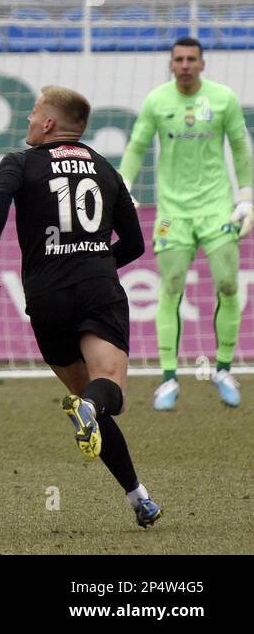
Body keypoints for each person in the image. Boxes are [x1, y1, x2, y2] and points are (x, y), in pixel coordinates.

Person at [0, 86, 162, 529]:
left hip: (45, 296)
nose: (28, 121)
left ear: (49, 124)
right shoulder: (105, 168)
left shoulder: (18, 162)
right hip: (97, 289)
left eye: (33, 113)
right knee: (106, 394)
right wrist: (93, 265)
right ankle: (97, 424)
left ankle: (139, 497)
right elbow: (135, 243)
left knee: (89, 399)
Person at [119, 37, 251, 410]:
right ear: (171, 64)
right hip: (172, 212)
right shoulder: (157, 101)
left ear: (203, 64)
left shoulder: (223, 99)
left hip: (217, 208)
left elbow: (241, 148)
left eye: (192, 58)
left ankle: (223, 369)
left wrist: (246, 197)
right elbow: (136, 146)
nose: (186, 64)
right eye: (179, 59)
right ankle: (168, 379)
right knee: (171, 287)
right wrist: (124, 186)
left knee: (227, 283)